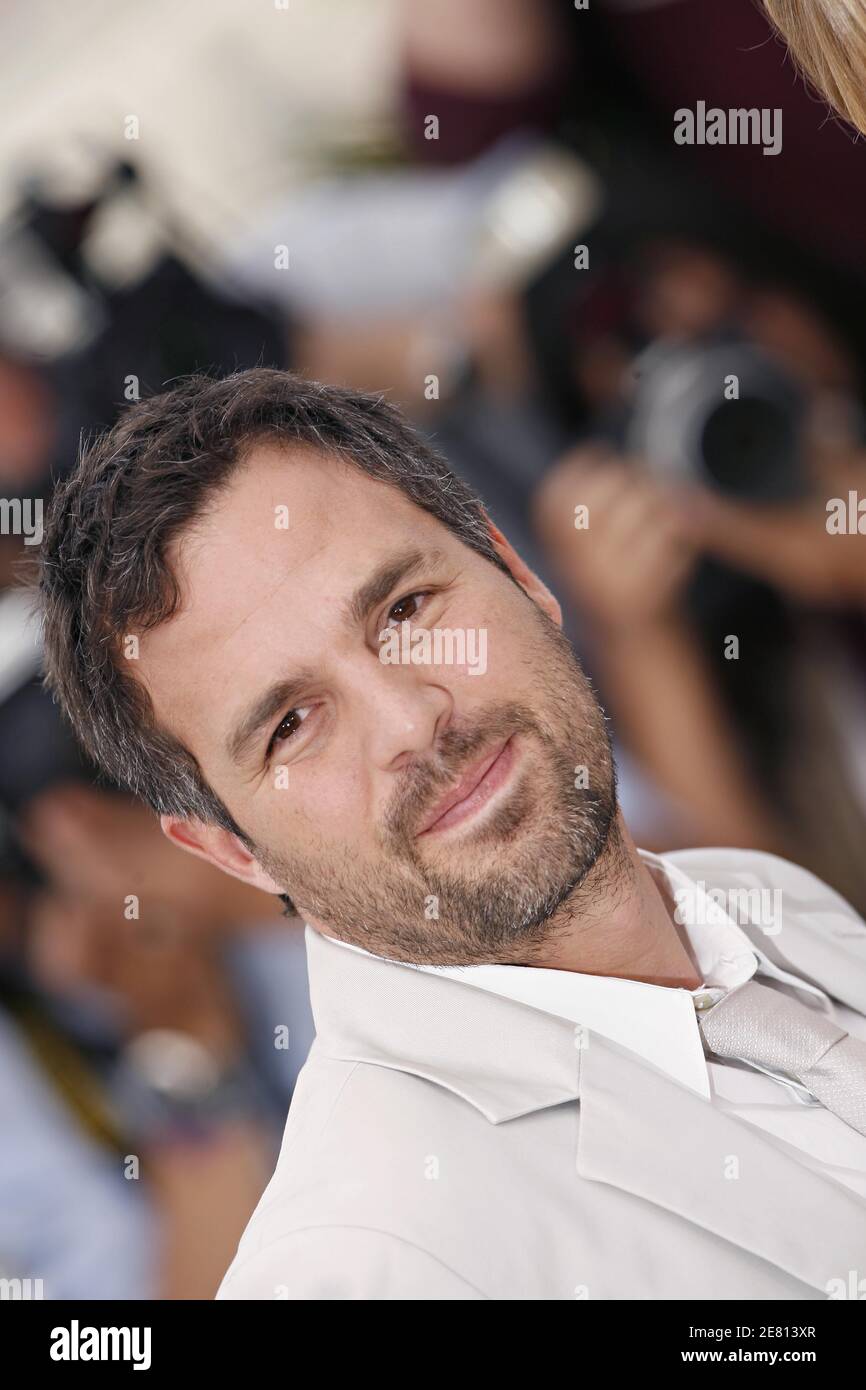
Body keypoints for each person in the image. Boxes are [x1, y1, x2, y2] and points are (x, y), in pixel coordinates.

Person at [35, 368, 866, 1300]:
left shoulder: (763, 900)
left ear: (517, 571)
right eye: (291, 726)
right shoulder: (360, 1271)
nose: (407, 721)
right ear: (235, 852)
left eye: (405, 611)